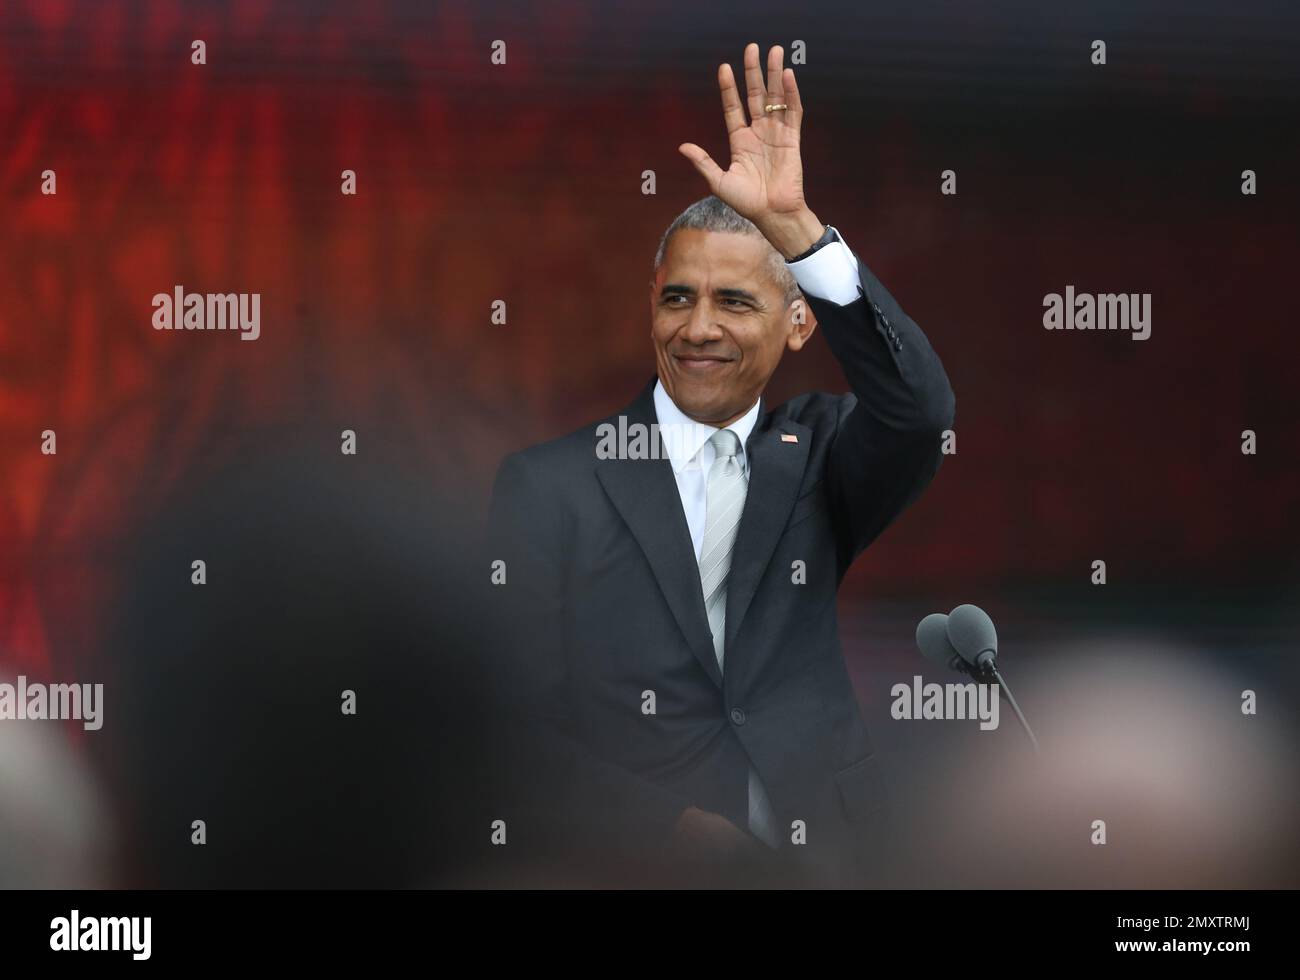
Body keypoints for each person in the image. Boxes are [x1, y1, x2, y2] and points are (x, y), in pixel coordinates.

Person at [489, 42, 955, 886]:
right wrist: (665, 831)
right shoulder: (549, 484)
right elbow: (508, 722)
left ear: (798, 323)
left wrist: (800, 236)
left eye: (735, 301)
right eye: (679, 297)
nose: (698, 328)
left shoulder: (820, 458)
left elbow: (919, 412)